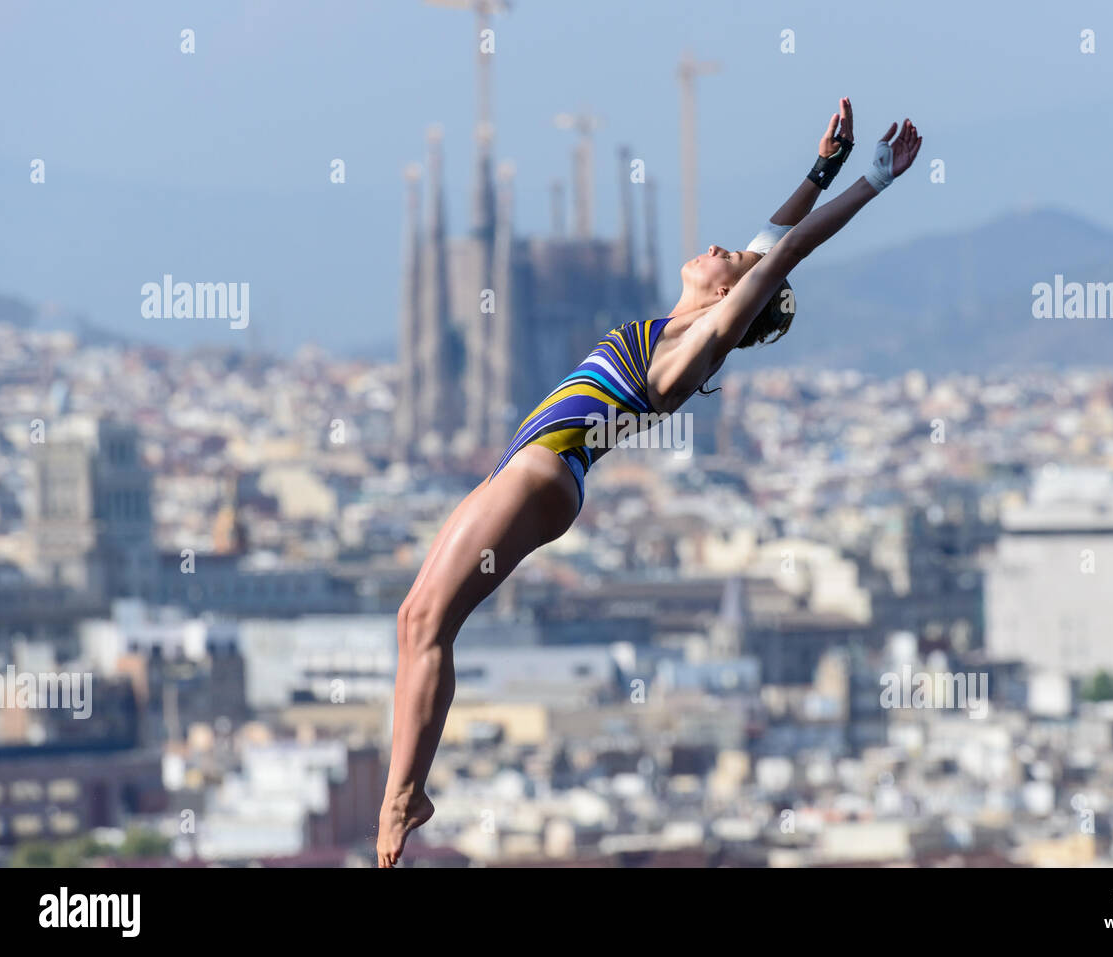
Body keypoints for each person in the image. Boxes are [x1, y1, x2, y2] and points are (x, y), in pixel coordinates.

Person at [377, 99, 922, 866]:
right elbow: (771, 236)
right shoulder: (676, 321)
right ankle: (407, 787)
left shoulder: (692, 348)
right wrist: (822, 164)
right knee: (412, 619)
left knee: (431, 623)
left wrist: (870, 179)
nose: (716, 247)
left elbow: (782, 253)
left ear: (737, 295)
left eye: (728, 258)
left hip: (545, 468)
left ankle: (403, 796)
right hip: (529, 462)